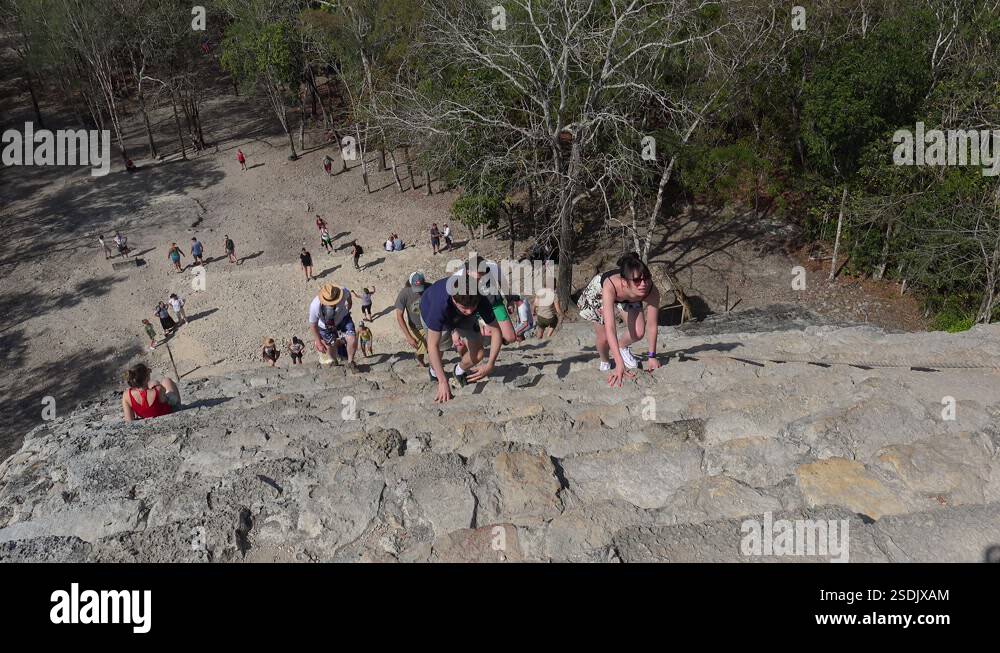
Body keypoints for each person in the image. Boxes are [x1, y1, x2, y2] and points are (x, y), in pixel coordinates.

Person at [577, 252, 662, 388]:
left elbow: (652, 325)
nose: (643, 284)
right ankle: (605, 361)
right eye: (637, 280)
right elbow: (611, 328)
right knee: (604, 337)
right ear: (625, 282)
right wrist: (619, 363)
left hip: (630, 295)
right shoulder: (610, 286)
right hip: (600, 292)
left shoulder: (649, 289)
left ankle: (622, 347)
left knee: (638, 332)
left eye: (646, 278)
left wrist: (652, 357)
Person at [420, 272, 504, 403]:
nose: (470, 311)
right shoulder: (439, 305)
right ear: (454, 299)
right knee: (440, 349)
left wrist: (490, 364)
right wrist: (443, 382)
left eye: (473, 307)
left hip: (461, 318)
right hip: (430, 310)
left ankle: (459, 370)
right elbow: (432, 346)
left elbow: (497, 331)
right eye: (465, 308)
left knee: (479, 354)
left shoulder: (479, 298)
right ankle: (433, 371)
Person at [453, 255, 518, 345]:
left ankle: (494, 334)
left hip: (494, 303)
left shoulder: (492, 267)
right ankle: (486, 332)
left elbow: (502, 283)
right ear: (468, 272)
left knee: (510, 338)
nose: (480, 280)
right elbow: (454, 300)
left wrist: (510, 300)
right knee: (468, 342)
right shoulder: (459, 275)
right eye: (477, 278)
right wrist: (454, 329)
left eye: (482, 276)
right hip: (474, 306)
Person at [308, 283, 360, 372]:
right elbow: (313, 325)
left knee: (352, 339)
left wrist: (349, 303)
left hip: (343, 318)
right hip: (325, 326)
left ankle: (351, 362)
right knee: (330, 344)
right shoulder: (315, 305)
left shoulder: (343, 291)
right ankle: (334, 360)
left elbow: (349, 296)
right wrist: (318, 342)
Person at [395, 272, 428, 368]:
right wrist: (409, 337)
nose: (418, 291)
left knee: (432, 346)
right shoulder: (404, 293)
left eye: (420, 287)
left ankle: (433, 367)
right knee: (422, 348)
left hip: (430, 323)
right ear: (410, 283)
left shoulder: (430, 287)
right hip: (417, 327)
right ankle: (421, 361)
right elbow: (399, 316)